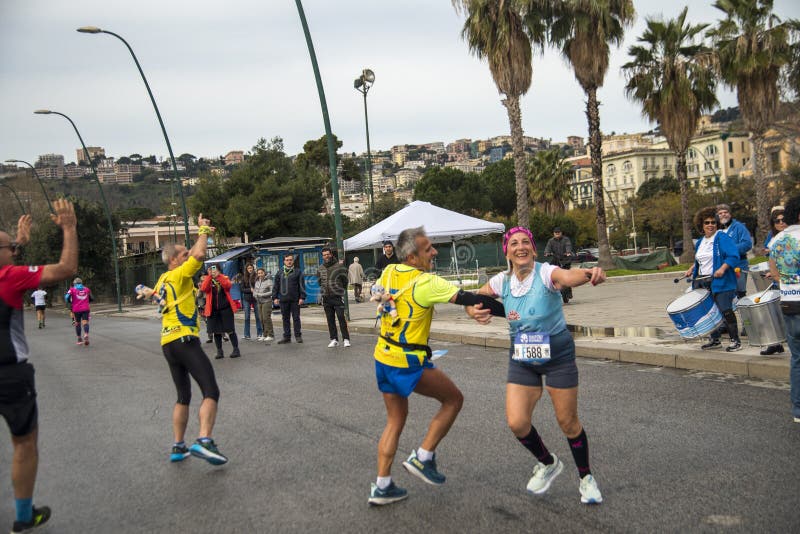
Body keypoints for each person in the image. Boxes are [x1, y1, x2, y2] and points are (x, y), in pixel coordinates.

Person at [368, 226, 503, 505]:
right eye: (428, 248)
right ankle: (423, 456)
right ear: (413, 257)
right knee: (453, 399)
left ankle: (382, 486)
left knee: (395, 420)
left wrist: (467, 305)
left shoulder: (389, 271)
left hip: (383, 356)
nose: (434, 251)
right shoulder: (426, 282)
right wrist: (518, 309)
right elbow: (470, 298)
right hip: (407, 361)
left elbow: (380, 294)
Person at [472, 226, 606, 504]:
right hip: (522, 357)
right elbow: (474, 298)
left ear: (533, 249)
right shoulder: (502, 281)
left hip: (557, 356)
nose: (520, 247)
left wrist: (589, 273)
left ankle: (586, 478)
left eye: (525, 243)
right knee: (517, 422)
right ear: (506, 251)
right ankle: (548, 463)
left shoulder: (546, 273)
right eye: (514, 244)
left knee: (567, 422)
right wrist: (472, 309)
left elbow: (567, 276)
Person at [1, 199, 77, 533]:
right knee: (24, 443)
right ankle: (22, 515)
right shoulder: (10, 277)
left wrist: (19, 241)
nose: (13, 250)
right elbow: (65, 269)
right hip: (10, 373)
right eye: (9, 246)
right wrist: (70, 228)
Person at [137, 214, 228, 465]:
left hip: (168, 343)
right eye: (183, 253)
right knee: (211, 390)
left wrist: (144, 291)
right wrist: (203, 230)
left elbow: (154, 295)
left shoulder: (163, 279)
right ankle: (204, 440)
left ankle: (178, 446)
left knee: (183, 395)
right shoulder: (178, 274)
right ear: (174, 260)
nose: (188, 254)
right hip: (185, 339)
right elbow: (199, 255)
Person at [685, 206, 742, 352]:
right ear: (701, 226)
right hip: (704, 281)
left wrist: (722, 269)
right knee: (709, 312)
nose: (710, 225)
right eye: (707, 223)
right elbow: (701, 260)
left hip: (721, 281)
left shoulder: (721, 237)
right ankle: (715, 340)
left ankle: (735, 341)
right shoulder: (700, 242)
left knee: (725, 310)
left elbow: (733, 255)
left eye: (713, 222)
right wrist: (692, 268)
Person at [767, 195, 800, 423]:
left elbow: (775, 274)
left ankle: (798, 409)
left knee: (797, 358)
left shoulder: (777, 241)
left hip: (789, 302)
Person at [759, 209, 787, 355]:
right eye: (777, 221)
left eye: (783, 219)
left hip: (790, 282)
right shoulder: (772, 236)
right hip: (776, 280)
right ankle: (775, 343)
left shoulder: (792, 235)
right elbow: (769, 252)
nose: (781, 223)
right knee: (773, 312)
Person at [200, 265, 241, 359]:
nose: (213, 271)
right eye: (211, 270)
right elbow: (204, 289)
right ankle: (219, 351)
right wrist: (210, 276)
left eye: (215, 269)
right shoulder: (208, 279)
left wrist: (218, 276)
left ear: (219, 270)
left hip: (225, 308)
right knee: (216, 331)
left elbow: (227, 286)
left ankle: (236, 349)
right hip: (213, 309)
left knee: (230, 329)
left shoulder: (224, 278)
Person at [716, 203, 752, 300]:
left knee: (740, 294)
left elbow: (747, 244)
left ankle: (745, 314)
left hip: (739, 265)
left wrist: (729, 250)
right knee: (726, 296)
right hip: (722, 267)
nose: (723, 214)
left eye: (726, 212)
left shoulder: (739, 227)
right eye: (720, 213)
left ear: (730, 214)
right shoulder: (716, 230)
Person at [318, 247, 350, 348]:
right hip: (326, 297)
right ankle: (334, 339)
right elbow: (320, 282)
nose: (326, 256)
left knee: (341, 317)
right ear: (322, 256)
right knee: (330, 319)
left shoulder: (339, 266)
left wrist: (341, 290)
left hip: (337, 297)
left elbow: (345, 280)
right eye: (324, 255)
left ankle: (346, 339)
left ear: (331, 254)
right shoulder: (320, 268)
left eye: (327, 254)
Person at [273, 254, 305, 344]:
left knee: (296, 318)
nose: (289, 261)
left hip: (295, 299)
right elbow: (276, 286)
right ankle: (287, 337)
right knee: (285, 319)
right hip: (283, 300)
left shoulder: (298, 272)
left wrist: (302, 297)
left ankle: (298, 336)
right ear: (284, 261)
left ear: (293, 261)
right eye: (287, 260)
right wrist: (274, 297)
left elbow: (302, 285)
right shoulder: (279, 272)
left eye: (290, 260)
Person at [544, 227, 575, 303]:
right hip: (556, 260)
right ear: (553, 234)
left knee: (567, 276)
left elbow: (568, 246)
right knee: (550, 273)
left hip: (565, 260)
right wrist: (547, 252)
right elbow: (548, 248)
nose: (557, 234)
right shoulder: (551, 241)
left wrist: (568, 252)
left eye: (559, 232)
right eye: (555, 233)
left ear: (561, 233)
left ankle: (569, 292)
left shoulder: (566, 239)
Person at [66, 277, 92, 346]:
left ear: (74, 283)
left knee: (77, 323)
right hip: (85, 308)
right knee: (85, 322)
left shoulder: (72, 289)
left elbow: (66, 297)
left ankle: (79, 339)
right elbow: (91, 298)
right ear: (81, 283)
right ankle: (86, 334)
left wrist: (69, 301)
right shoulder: (86, 289)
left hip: (76, 309)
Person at [240, 263, 262, 341]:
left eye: (251, 268)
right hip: (246, 299)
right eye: (248, 268)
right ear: (246, 269)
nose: (250, 269)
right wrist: (250, 290)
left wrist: (255, 290)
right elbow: (242, 289)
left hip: (255, 299)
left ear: (253, 268)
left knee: (258, 317)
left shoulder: (256, 276)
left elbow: (259, 286)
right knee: (247, 317)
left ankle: (260, 333)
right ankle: (247, 334)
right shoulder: (243, 278)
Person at [253, 267, 275, 342]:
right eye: (258, 273)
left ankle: (270, 335)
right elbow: (255, 291)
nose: (260, 274)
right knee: (261, 319)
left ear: (264, 273)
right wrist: (255, 294)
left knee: (266, 318)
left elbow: (272, 292)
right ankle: (264, 334)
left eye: (261, 273)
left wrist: (262, 295)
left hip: (267, 301)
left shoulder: (269, 281)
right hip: (259, 302)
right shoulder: (257, 282)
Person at [196, 275, 214, 344]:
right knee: (207, 322)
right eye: (202, 277)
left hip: (209, 304)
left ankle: (223, 335)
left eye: (204, 276)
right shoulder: (200, 285)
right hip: (202, 306)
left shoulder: (210, 283)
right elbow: (198, 296)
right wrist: (200, 289)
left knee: (214, 320)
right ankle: (210, 337)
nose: (203, 278)